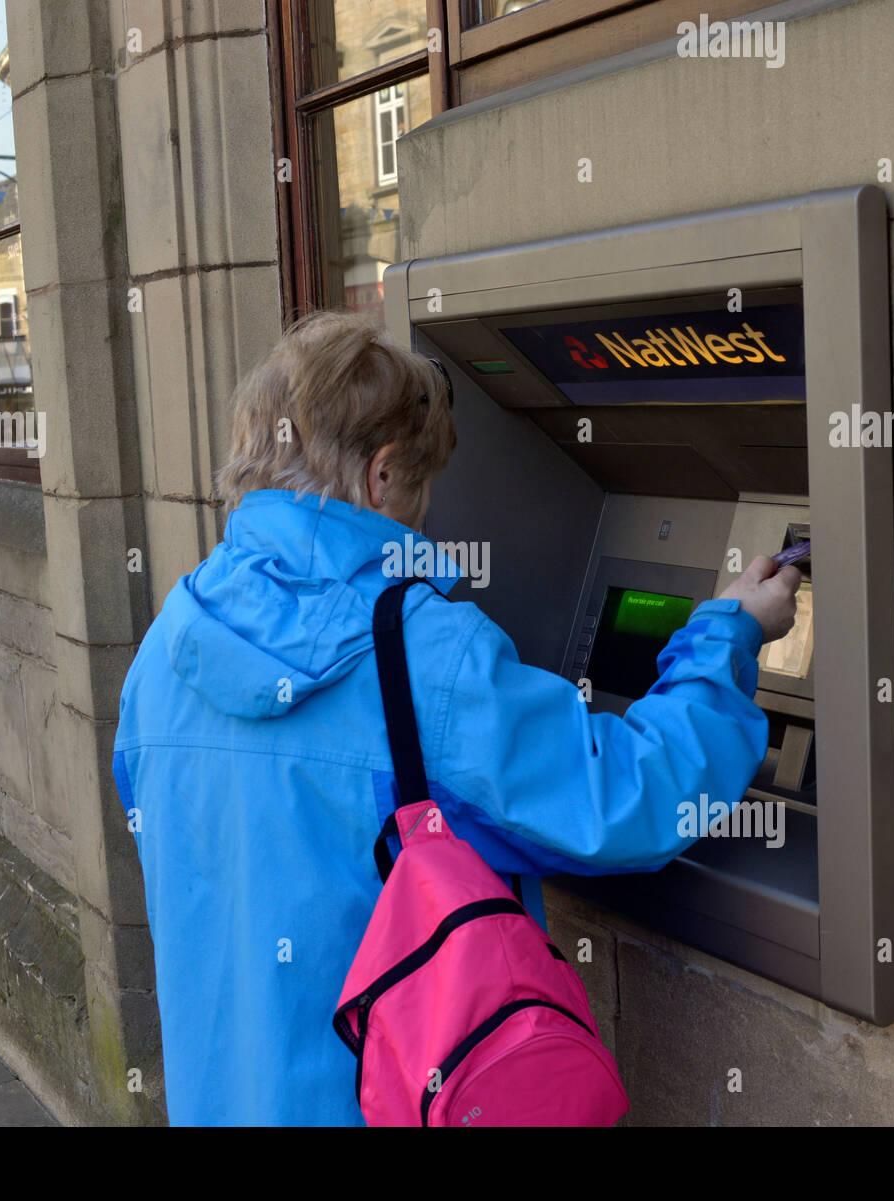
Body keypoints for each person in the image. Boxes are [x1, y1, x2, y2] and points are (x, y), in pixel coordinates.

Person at [112, 309, 801, 1126]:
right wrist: (729, 635)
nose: (425, 512)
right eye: (423, 484)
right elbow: (625, 800)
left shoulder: (167, 646)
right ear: (382, 473)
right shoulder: (420, 650)